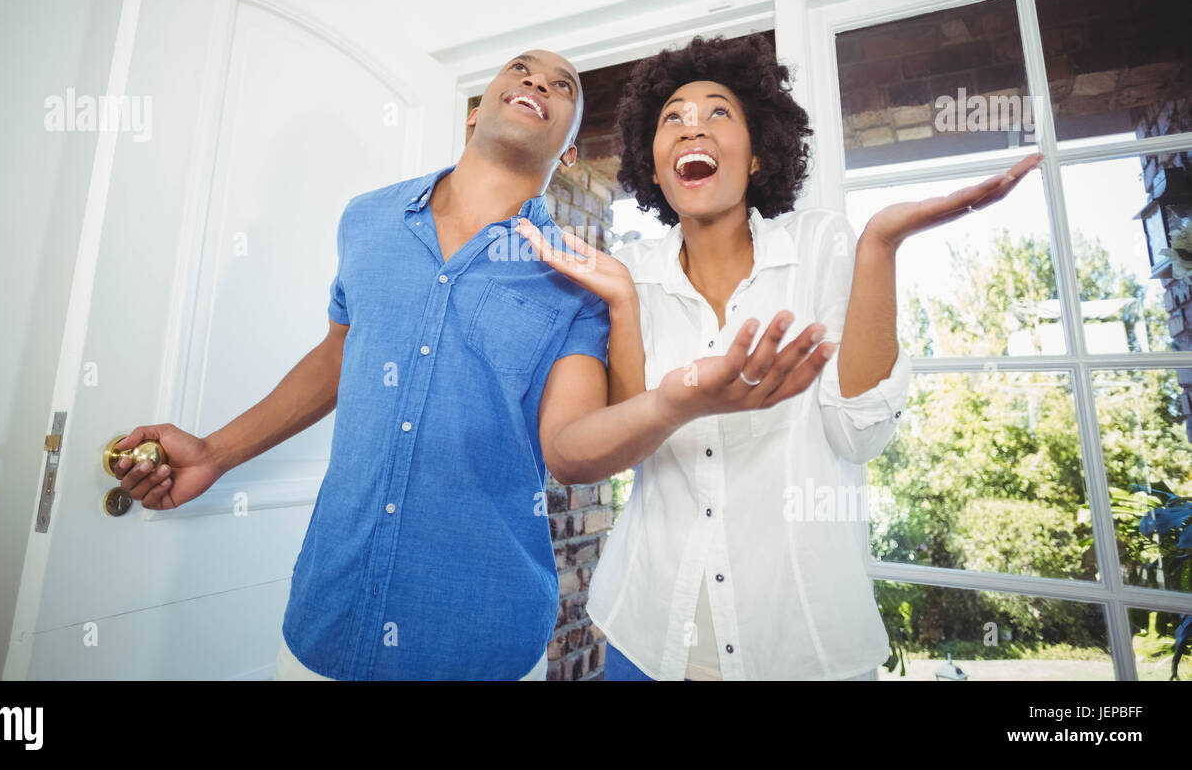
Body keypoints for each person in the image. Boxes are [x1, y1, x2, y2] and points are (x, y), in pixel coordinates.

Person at [110, 47, 832, 680]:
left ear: (569, 155)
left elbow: (572, 449)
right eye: (520, 69)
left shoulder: (576, 278)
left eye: (563, 86)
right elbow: (339, 352)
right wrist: (214, 452)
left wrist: (676, 397)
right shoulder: (367, 220)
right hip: (323, 625)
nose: (537, 81)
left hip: (483, 639)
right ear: (475, 111)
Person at [518, 33, 1044, 680]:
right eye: (672, 119)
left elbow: (857, 434)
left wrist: (880, 245)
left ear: (759, 156)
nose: (692, 129)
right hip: (646, 637)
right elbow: (624, 447)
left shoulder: (821, 245)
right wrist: (637, 325)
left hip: (804, 645)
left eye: (717, 112)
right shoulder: (629, 275)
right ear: (654, 168)